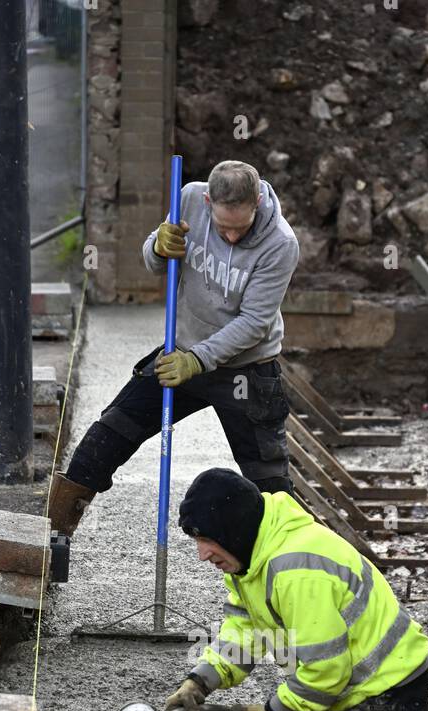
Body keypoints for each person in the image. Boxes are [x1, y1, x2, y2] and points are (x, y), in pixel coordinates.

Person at [164, 469, 428, 711]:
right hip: (358, 690)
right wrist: (200, 681)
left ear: (234, 529)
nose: (202, 554)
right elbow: (245, 630)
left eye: (206, 539)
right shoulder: (252, 555)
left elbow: (326, 672)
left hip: (386, 691)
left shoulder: (295, 568)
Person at [48, 160, 300, 536]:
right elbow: (153, 262)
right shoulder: (189, 200)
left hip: (245, 371)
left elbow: (253, 323)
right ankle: (48, 542)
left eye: (240, 228)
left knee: (271, 484)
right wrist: (158, 247)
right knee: (108, 435)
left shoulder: (280, 243)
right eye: (223, 227)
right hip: (181, 353)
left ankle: (291, 568)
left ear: (259, 201)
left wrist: (197, 360)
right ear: (208, 199)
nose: (231, 237)